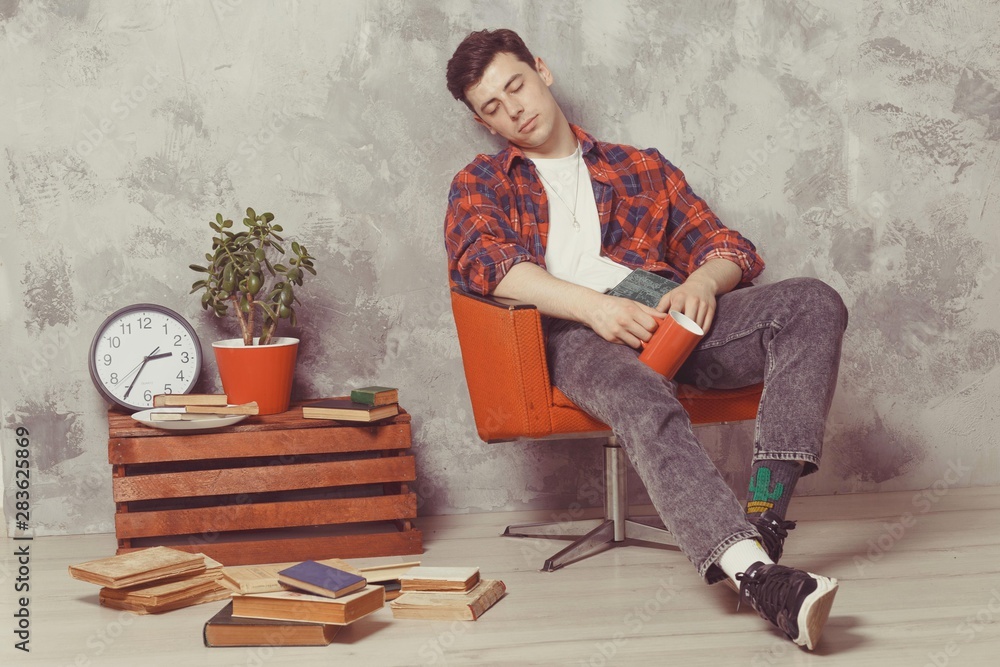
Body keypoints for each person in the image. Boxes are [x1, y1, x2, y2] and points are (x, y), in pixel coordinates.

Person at [443, 28, 848, 650]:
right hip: (570, 335)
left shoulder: (640, 167)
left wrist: (705, 284)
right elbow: (487, 265)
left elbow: (728, 246)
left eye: (515, 86)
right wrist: (592, 307)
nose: (513, 109)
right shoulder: (482, 182)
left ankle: (763, 519)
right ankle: (757, 577)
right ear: (484, 123)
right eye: (492, 108)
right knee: (637, 391)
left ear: (541, 71)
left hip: (663, 321)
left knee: (813, 303)